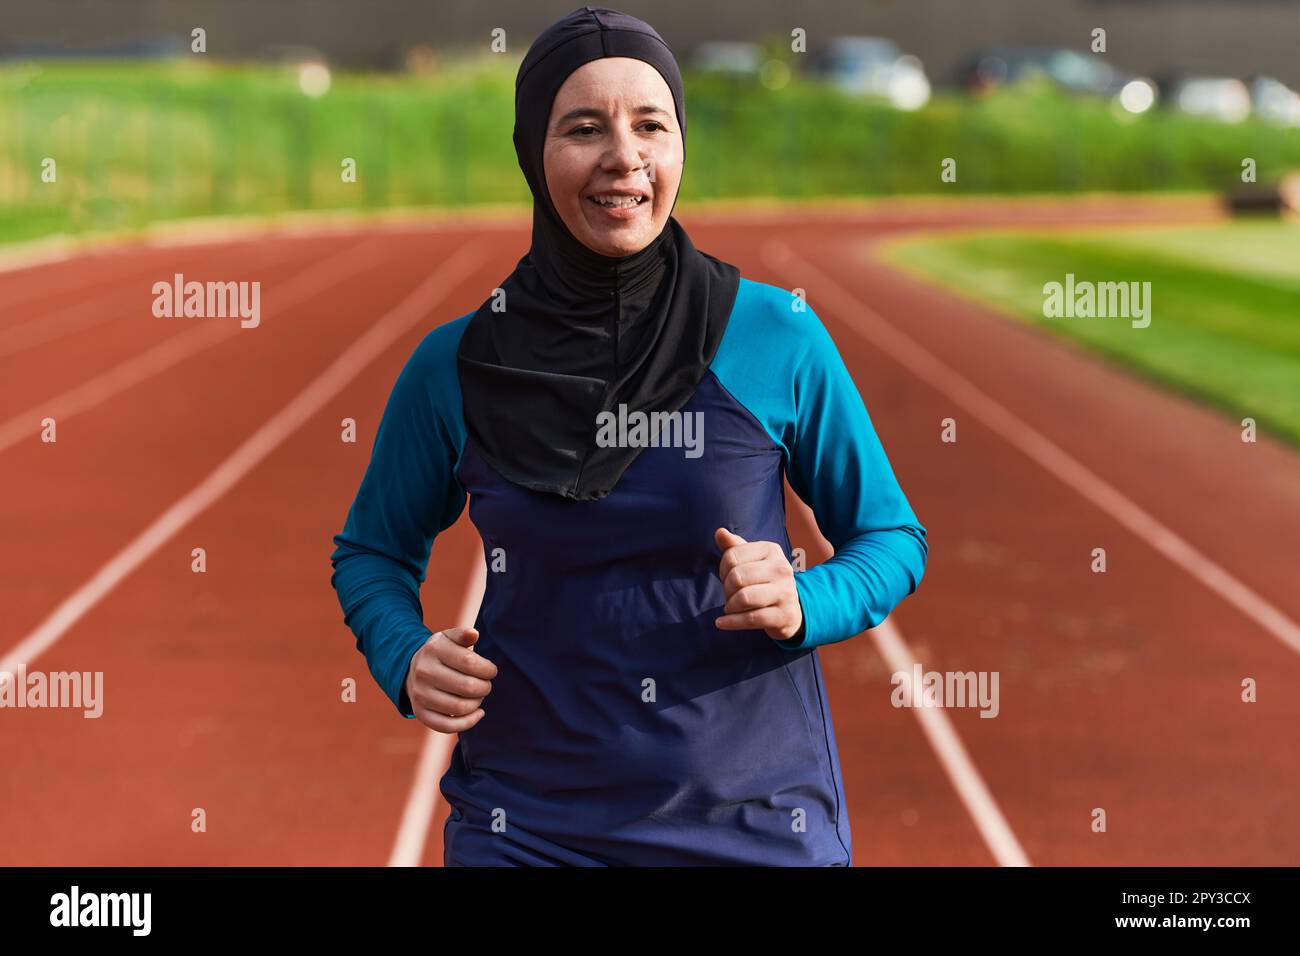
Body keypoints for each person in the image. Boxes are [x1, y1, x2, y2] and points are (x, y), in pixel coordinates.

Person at [329, 6, 928, 866]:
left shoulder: (776, 334)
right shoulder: (454, 365)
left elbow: (891, 538)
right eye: (584, 128)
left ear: (681, 146)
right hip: (526, 829)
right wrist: (403, 654)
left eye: (652, 125)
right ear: (534, 152)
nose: (625, 156)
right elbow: (372, 553)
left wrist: (807, 601)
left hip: (753, 828)